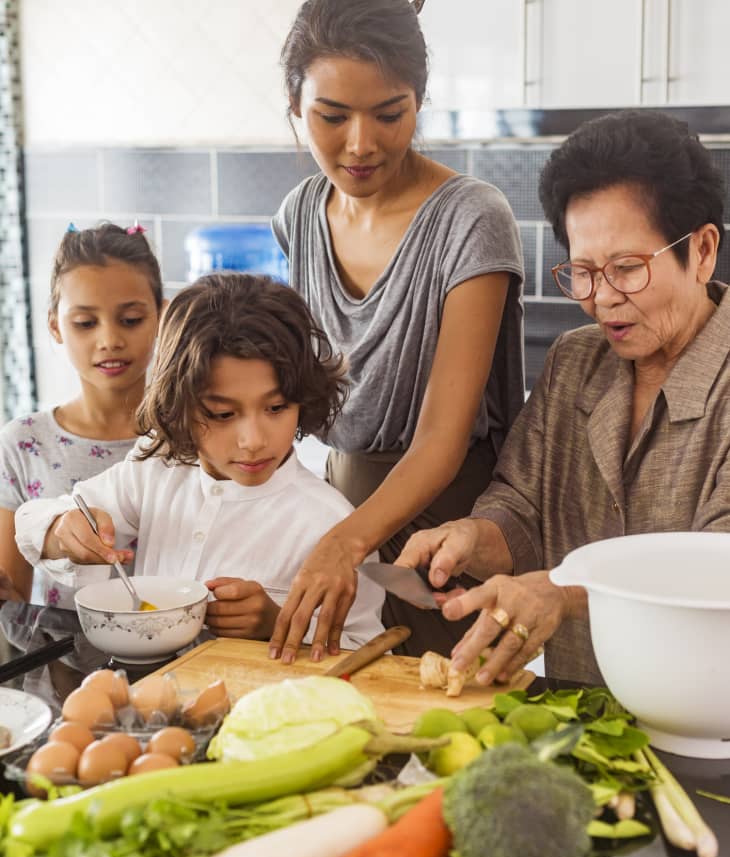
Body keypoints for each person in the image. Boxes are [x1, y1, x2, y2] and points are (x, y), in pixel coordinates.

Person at [396, 109, 729, 685]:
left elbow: (713, 568)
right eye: (581, 271)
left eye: (627, 269)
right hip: (582, 702)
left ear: (701, 251)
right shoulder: (576, 362)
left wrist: (562, 592)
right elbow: (521, 504)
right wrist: (474, 538)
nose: (600, 299)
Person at [270, 0, 525, 663]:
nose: (361, 143)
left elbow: (441, 441)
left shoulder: (471, 218)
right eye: (332, 116)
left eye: (390, 114)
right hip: (335, 509)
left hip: (445, 529)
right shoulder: (297, 214)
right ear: (295, 104)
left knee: (446, 716)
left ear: (419, 102)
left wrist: (344, 542)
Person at [15, 273, 384, 647]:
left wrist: (278, 625)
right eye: (223, 414)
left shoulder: (330, 524)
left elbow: (367, 649)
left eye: (276, 408)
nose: (254, 441)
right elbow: (33, 521)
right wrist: (63, 530)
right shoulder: (156, 470)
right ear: (180, 406)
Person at [0, 223, 163, 608]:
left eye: (130, 320)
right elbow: (15, 602)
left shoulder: (193, 435)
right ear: (56, 326)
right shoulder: (24, 443)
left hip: (184, 664)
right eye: (86, 323)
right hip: (61, 667)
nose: (109, 340)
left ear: (162, 315)